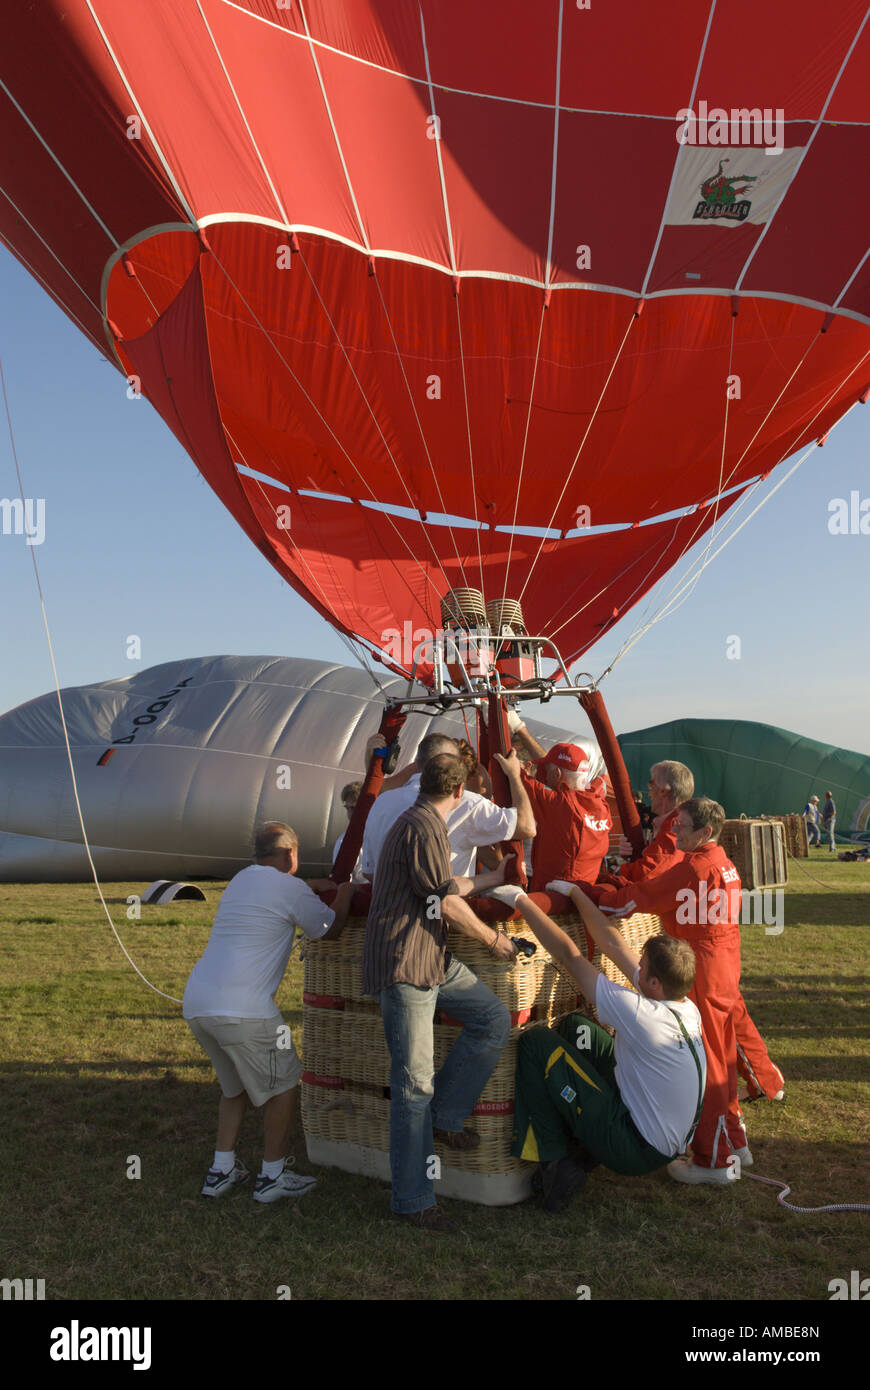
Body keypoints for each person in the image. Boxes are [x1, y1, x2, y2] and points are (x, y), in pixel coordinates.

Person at [362, 753, 519, 1232]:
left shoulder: (421, 821)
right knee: (413, 1088)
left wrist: (492, 879)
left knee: (491, 1019)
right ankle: (413, 1200)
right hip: (406, 962)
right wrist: (495, 940)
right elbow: (444, 902)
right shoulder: (424, 828)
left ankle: (446, 1117)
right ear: (460, 792)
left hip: (429, 957)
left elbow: (443, 883)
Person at [487, 877, 705, 1213]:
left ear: (655, 984)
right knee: (576, 1029)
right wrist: (575, 893)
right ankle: (582, 1145)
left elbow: (570, 956)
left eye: (643, 968)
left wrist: (522, 901)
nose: (637, 967)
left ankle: (555, 1163)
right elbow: (613, 944)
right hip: (659, 1139)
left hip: (634, 1147)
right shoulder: (683, 1006)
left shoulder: (643, 1015)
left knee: (535, 1043)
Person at [183, 821, 354, 1203]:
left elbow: (272, 898)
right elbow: (329, 929)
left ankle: (221, 1170)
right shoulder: (290, 887)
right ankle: (272, 1176)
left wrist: (310, 888)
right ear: (291, 854)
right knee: (284, 1086)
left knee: (235, 1089)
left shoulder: (241, 880)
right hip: (245, 1011)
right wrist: (344, 894)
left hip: (198, 1003)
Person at [594, 798, 756, 1183]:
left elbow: (635, 901)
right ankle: (734, 1143)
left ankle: (712, 1161)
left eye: (680, 826)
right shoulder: (724, 863)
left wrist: (585, 893)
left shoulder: (695, 869)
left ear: (705, 832)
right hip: (724, 964)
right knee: (722, 1059)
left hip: (702, 969)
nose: (674, 832)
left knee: (712, 1066)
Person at [361, 731, 535, 880]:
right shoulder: (467, 803)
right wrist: (514, 776)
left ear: (417, 763)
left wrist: (372, 763)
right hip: (441, 913)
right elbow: (526, 827)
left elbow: (369, 873)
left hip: (386, 912)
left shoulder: (381, 803)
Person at [331, 780, 367, 883]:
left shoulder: (383, 835)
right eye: (348, 809)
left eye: (354, 808)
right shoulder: (344, 842)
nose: (350, 814)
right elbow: (341, 884)